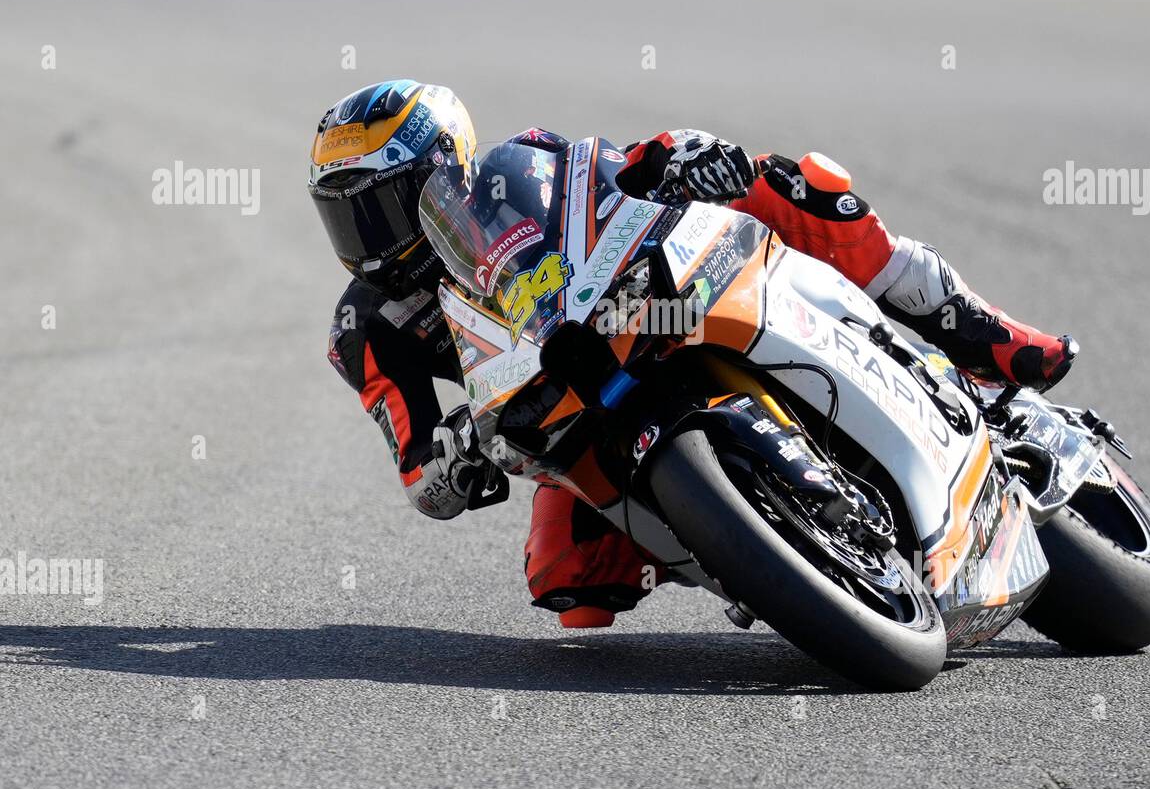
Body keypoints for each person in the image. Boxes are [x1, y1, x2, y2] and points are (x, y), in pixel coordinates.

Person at [310, 80, 1077, 628]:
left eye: (379, 206)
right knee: (569, 590)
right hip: (560, 415)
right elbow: (416, 467)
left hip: (634, 312)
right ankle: (764, 550)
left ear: (445, 169)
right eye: (345, 216)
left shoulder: (518, 172)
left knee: (791, 181)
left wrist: (688, 159)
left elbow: (618, 168)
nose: (368, 239)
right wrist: (449, 464)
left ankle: (975, 328)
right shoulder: (364, 329)